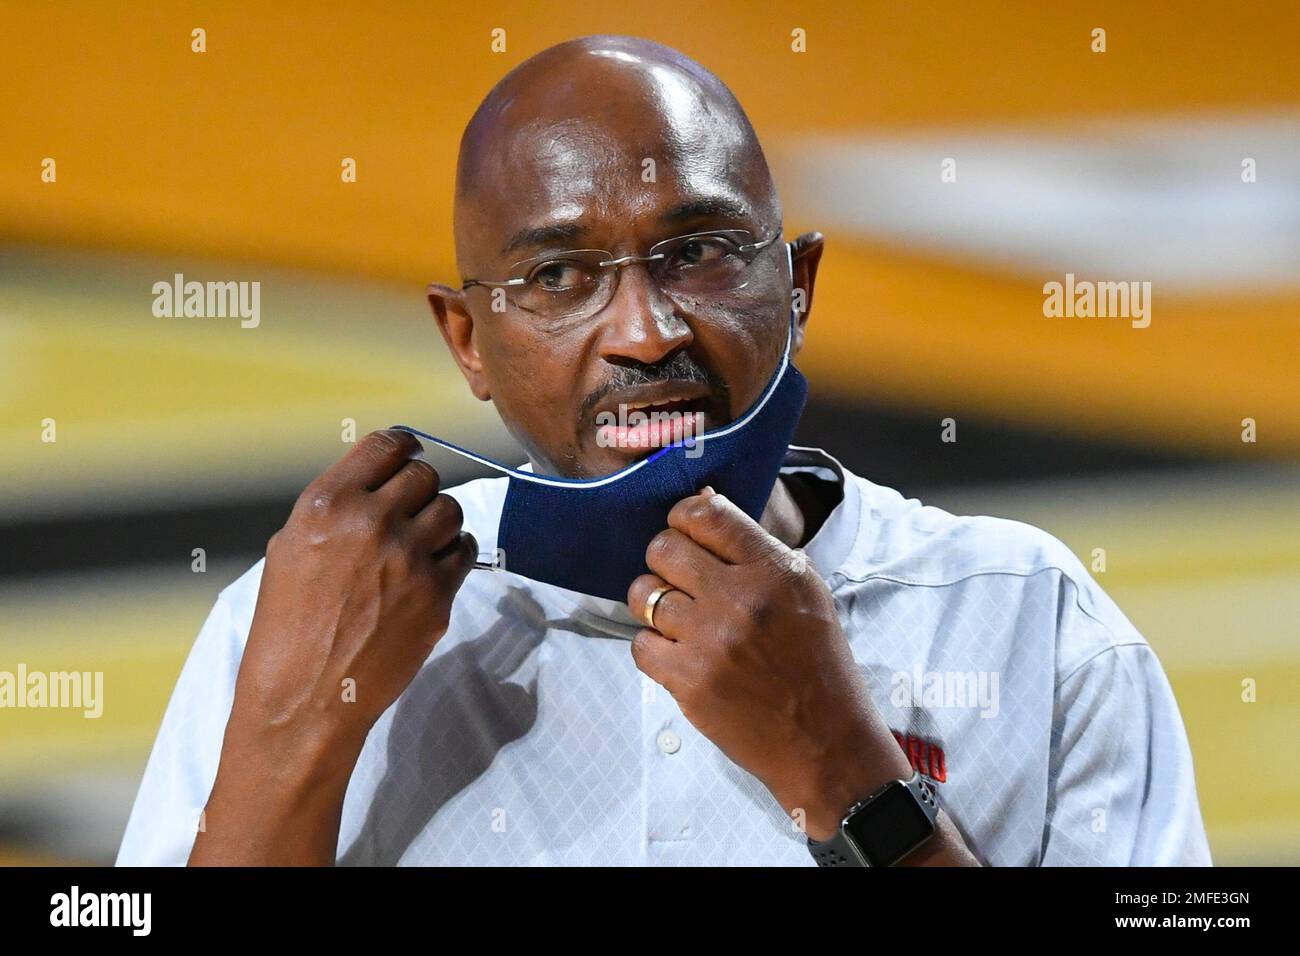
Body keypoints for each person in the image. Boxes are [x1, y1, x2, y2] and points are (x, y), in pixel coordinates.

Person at [117, 34, 1211, 866]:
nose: (646, 331)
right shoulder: (305, 623)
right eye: (559, 277)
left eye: (696, 252)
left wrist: (849, 775)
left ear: (798, 285)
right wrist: (291, 738)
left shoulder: (1032, 618)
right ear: (469, 341)